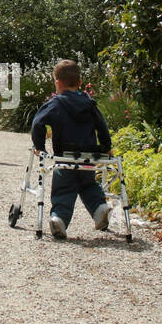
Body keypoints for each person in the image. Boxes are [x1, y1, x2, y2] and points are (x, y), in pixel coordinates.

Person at [30, 59, 112, 239]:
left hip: (65, 156)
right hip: (89, 156)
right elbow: (102, 127)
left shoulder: (56, 103)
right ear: (80, 82)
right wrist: (107, 147)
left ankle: (59, 218)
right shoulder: (90, 104)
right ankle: (100, 209)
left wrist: (39, 146)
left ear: (57, 82)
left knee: (64, 188)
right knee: (88, 184)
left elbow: (37, 123)